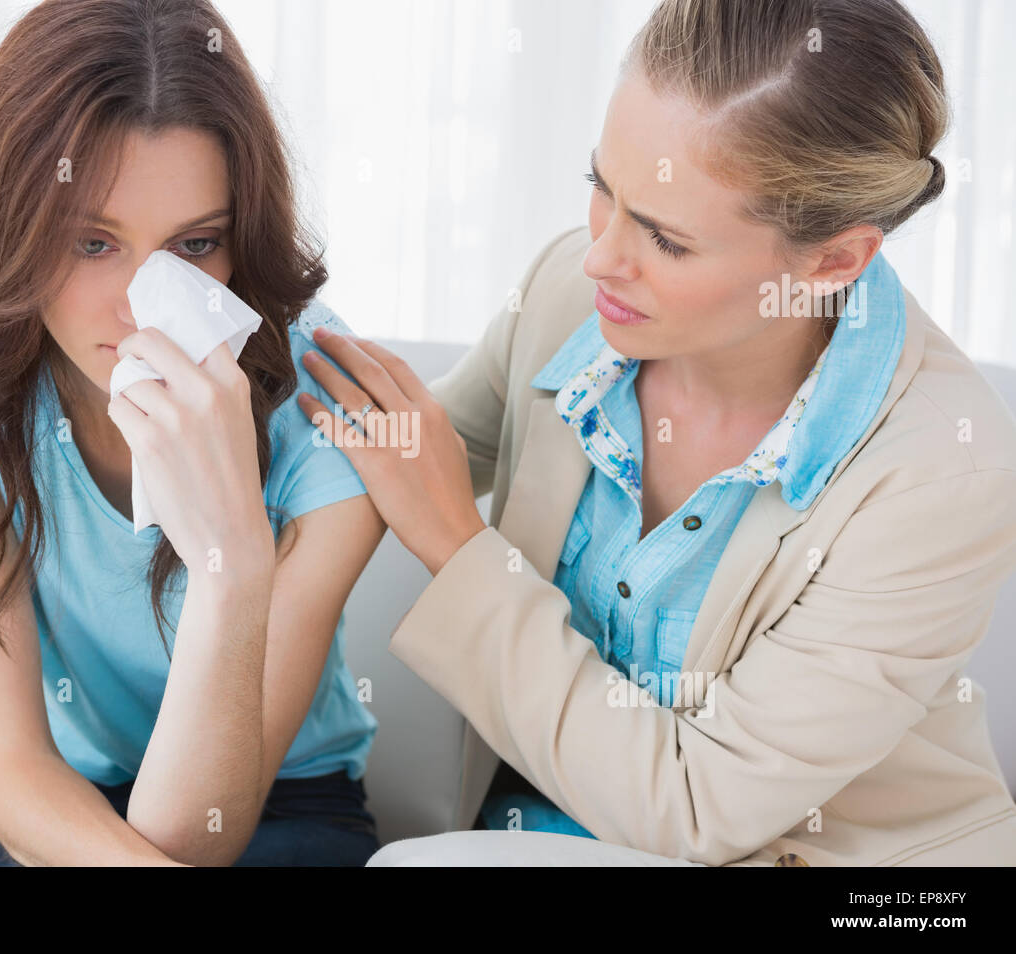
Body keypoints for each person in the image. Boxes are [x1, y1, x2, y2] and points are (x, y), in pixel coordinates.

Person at [299, 0, 1016, 866]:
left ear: (831, 261)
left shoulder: (946, 474)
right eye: (603, 187)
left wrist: (456, 544)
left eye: (667, 240)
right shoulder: (572, 292)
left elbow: (697, 809)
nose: (601, 253)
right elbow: (390, 447)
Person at [0, 0, 383, 867]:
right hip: (49, 792)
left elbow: (198, 835)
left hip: (274, 797)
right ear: (13, 229)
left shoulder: (325, 400)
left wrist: (232, 559)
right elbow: (13, 764)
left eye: (196, 244)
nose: (143, 304)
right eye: (92, 243)